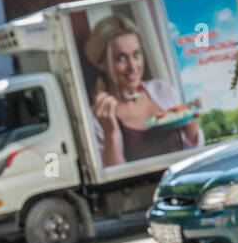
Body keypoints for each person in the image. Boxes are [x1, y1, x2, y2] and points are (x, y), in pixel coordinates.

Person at [84, 14, 202, 166]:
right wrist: (110, 133)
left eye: (136, 54)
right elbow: (116, 181)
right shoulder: (97, 118)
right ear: (100, 63)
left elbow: (193, 152)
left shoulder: (163, 90)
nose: (133, 66)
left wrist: (191, 124)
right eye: (121, 58)